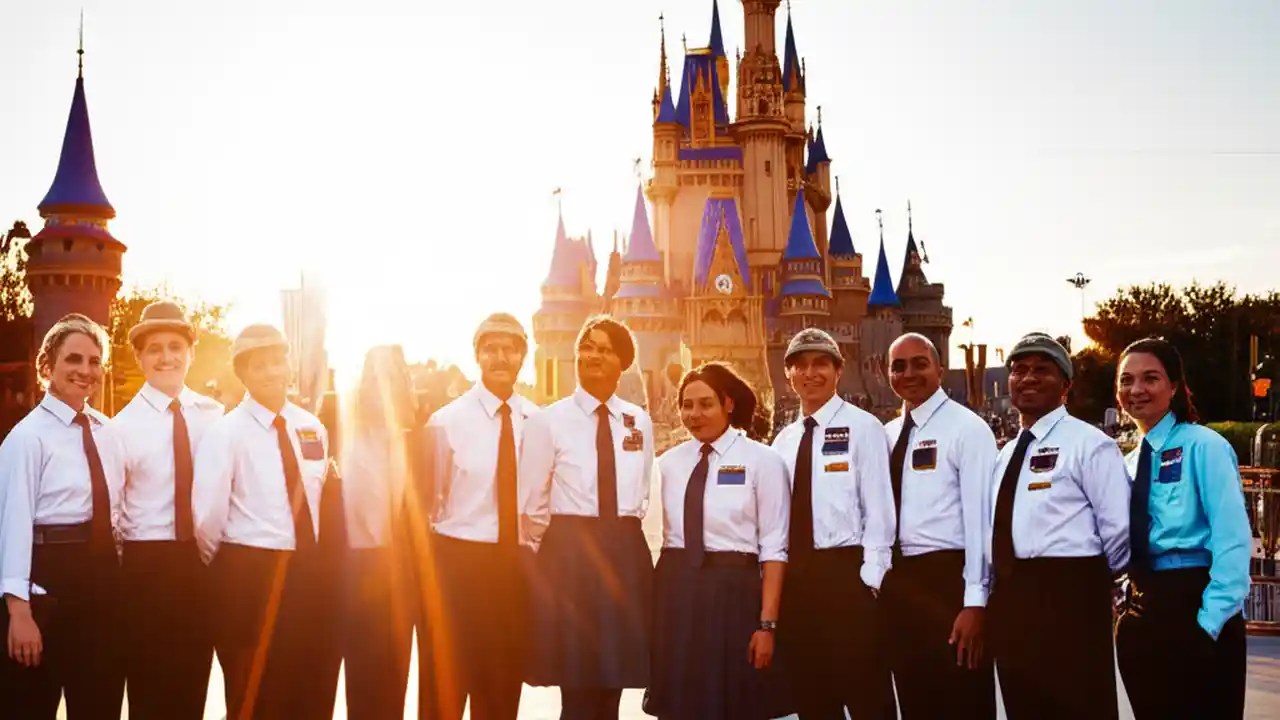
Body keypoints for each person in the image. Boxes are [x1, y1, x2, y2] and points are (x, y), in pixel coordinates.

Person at [192, 324, 335, 719]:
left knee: (306, 692)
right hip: (247, 575)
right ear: (243, 373)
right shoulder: (226, 433)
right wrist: (233, 571)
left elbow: (320, 497)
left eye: (277, 361)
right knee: (252, 695)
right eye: (259, 365)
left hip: (305, 575)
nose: (272, 372)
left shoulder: (311, 427)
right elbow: (207, 519)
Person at [988, 332, 1129, 720]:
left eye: (1042, 370)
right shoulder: (1005, 455)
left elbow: (1119, 532)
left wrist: (1086, 589)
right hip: (1013, 599)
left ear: (1066, 385)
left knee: (1081, 707)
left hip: (1071, 598)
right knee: (1024, 706)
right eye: (1019, 370)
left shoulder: (1090, 444)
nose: (1028, 378)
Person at [520, 315, 654, 720]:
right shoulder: (547, 421)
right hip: (570, 556)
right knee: (576, 684)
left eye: (604, 349)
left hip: (625, 552)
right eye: (586, 347)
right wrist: (559, 557)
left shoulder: (638, 421)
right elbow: (531, 502)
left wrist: (621, 539)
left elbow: (642, 493)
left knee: (613, 680)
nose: (593, 355)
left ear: (623, 363)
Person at [1114, 337, 1250, 719]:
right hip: (1144, 610)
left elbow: (1233, 541)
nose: (1136, 390)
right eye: (1127, 380)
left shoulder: (1204, 446)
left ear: (1174, 386)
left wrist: (1208, 624)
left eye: (1150, 378)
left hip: (1198, 603)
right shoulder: (1126, 463)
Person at [0, 313, 125, 719]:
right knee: (31, 707)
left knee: (99, 704)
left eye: (94, 361)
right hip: (46, 589)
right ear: (46, 367)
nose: (85, 371)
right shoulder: (26, 438)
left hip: (102, 590)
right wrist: (19, 613)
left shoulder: (108, 433)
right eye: (74, 359)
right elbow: (12, 525)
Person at [648, 362, 789, 720]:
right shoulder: (665, 465)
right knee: (681, 705)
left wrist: (767, 625)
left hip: (734, 598)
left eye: (705, 403)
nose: (694, 414)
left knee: (733, 704)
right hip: (676, 596)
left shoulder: (763, 461)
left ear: (728, 403)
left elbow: (774, 547)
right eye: (687, 405)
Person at [769, 327, 894, 719]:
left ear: (839, 371)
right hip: (798, 583)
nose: (811, 373)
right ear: (789, 375)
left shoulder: (864, 427)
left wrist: (870, 581)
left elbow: (879, 508)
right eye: (801, 365)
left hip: (848, 577)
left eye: (821, 363)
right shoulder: (783, 442)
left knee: (867, 697)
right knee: (812, 698)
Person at [113, 301, 224, 718]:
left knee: (193, 687)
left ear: (191, 353)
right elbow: (115, 511)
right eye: (154, 348)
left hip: (203, 564)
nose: (166, 357)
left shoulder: (216, 418)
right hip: (147, 567)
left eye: (175, 346)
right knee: (149, 690)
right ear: (139, 357)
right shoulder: (121, 428)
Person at [425, 314, 539, 719]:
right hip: (458, 565)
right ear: (477, 356)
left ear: (523, 356)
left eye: (510, 349)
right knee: (445, 690)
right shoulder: (446, 421)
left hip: (513, 569)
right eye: (491, 349)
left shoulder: (538, 422)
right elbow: (428, 504)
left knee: (501, 690)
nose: (500, 357)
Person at [880, 333, 996, 719]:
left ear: (940, 369)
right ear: (886, 374)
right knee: (916, 701)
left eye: (919, 363)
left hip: (950, 581)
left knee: (962, 700)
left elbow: (981, 521)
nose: (909, 373)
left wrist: (975, 603)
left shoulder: (967, 429)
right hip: (902, 585)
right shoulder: (887, 435)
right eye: (899, 366)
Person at [338, 344, 420, 719]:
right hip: (355, 572)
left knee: (393, 682)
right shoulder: (342, 433)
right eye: (376, 376)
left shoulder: (414, 438)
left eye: (393, 376)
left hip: (399, 574)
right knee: (362, 681)